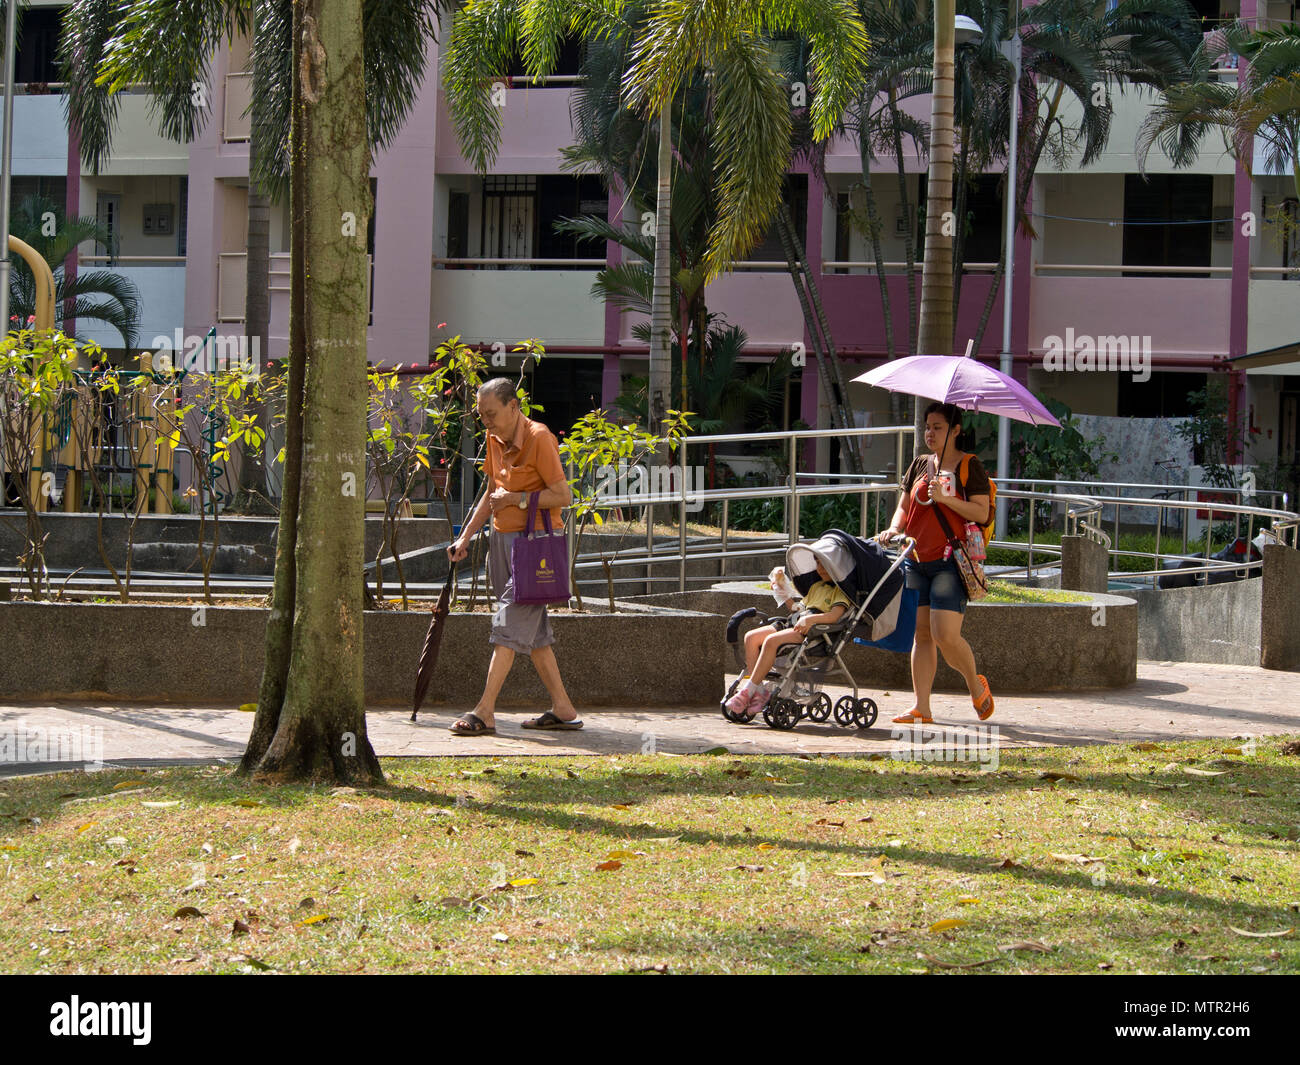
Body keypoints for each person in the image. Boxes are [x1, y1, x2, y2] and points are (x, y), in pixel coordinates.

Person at [445, 378, 581, 736]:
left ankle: (485, 710)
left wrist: (517, 500)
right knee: (532, 633)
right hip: (502, 542)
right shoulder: (493, 438)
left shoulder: (539, 438)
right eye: (481, 415)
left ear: (513, 407)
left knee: (507, 623)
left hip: (535, 548)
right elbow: (490, 494)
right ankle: (564, 709)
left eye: (491, 414)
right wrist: (465, 537)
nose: (485, 421)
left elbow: (563, 495)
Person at [875, 402, 994, 723]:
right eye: (927, 426)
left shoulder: (970, 467)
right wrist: (894, 528)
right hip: (914, 559)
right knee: (922, 635)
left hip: (949, 562)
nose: (930, 433)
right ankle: (922, 707)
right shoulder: (919, 465)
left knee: (945, 636)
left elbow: (981, 513)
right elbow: (903, 506)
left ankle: (973, 682)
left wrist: (946, 499)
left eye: (938, 427)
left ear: (956, 430)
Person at [724, 558, 853, 722]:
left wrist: (811, 620)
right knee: (751, 637)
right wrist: (781, 589)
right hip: (792, 623)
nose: (820, 569)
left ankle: (748, 690)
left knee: (771, 641)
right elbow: (796, 608)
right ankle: (759, 690)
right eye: (818, 564)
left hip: (811, 632)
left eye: (825, 565)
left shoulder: (841, 592)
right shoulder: (816, 587)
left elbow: (834, 616)